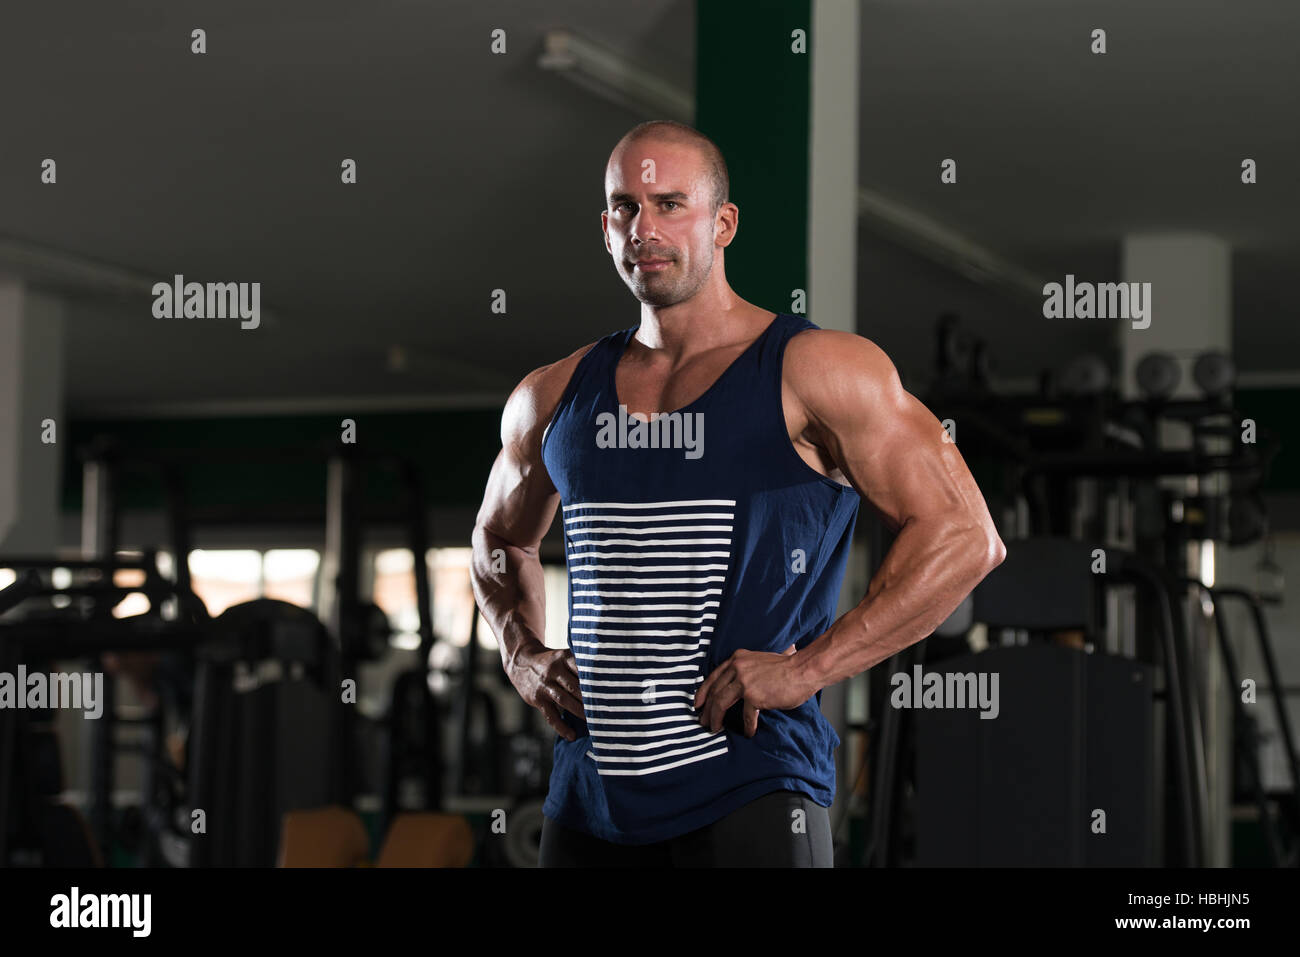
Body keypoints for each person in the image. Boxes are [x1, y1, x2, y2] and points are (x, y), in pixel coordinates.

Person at [470, 120, 1006, 867]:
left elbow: (964, 536)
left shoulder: (815, 369)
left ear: (723, 224)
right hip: (590, 801)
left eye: (670, 204)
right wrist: (521, 652)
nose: (644, 229)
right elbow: (500, 541)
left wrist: (810, 668)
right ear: (605, 227)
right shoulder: (553, 395)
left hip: (752, 789)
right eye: (625, 207)